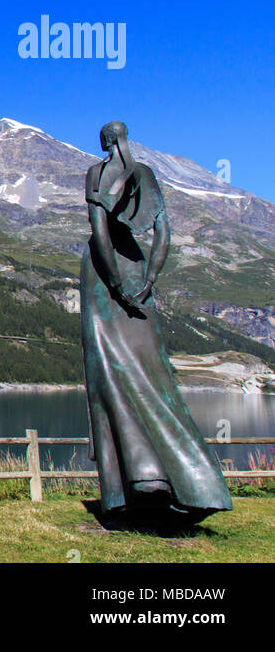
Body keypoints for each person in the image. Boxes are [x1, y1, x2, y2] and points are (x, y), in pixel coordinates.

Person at [80, 121, 231, 524]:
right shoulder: (146, 174)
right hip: (138, 270)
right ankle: (190, 481)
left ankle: (135, 485)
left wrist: (113, 282)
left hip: (103, 272)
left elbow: (99, 231)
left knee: (109, 372)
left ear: (105, 141)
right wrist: (148, 280)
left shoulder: (96, 174)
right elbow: (163, 233)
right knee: (153, 374)